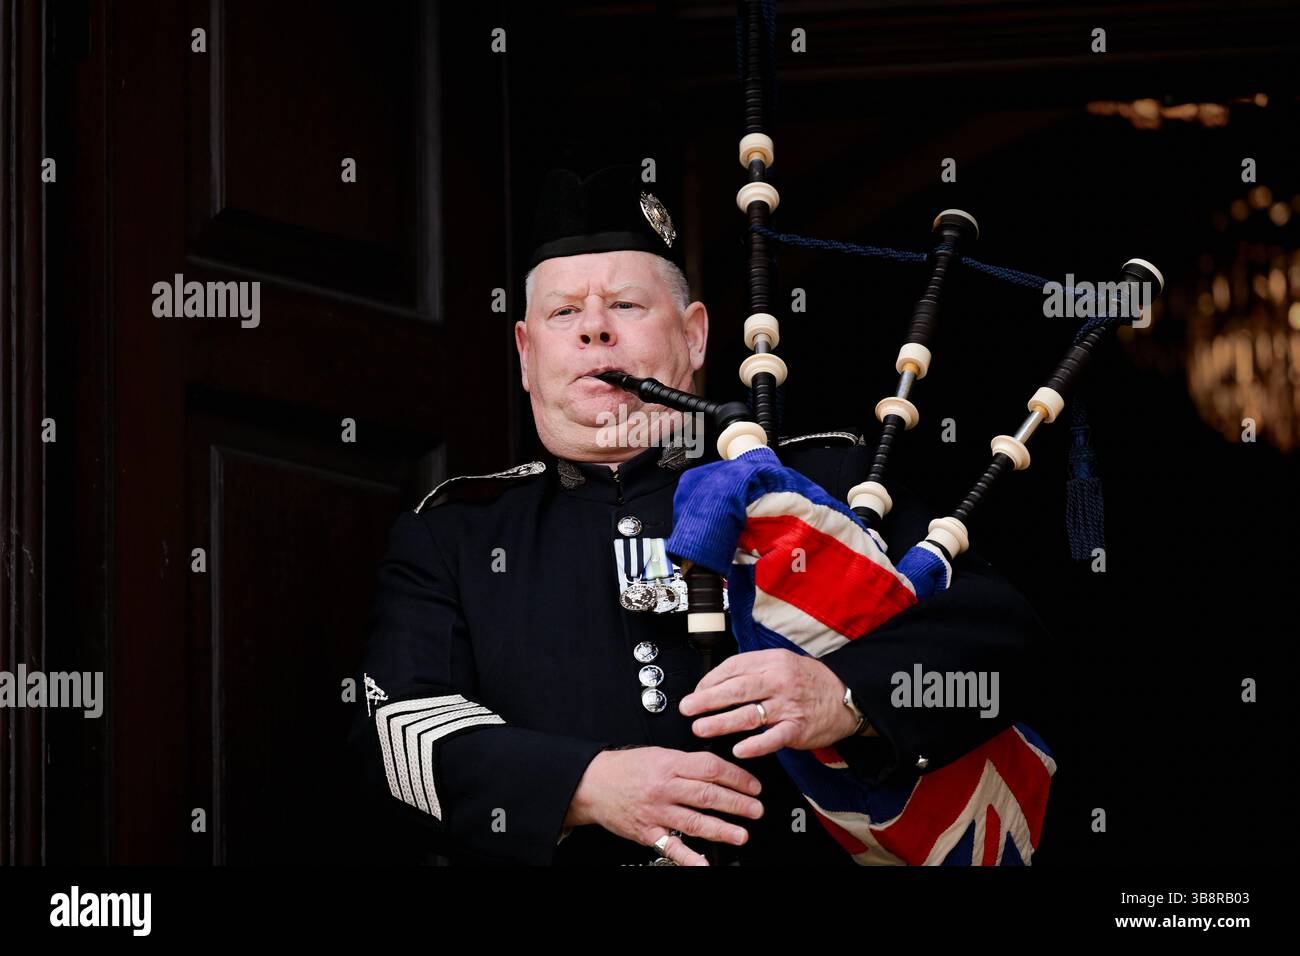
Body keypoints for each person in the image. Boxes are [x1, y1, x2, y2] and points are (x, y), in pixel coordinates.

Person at [347, 164, 1047, 866]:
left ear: (695, 336)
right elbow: (397, 731)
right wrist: (585, 786)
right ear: (528, 355)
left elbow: (1002, 640)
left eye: (626, 306)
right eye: (564, 313)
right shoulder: (456, 534)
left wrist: (845, 697)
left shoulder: (819, 483)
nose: (594, 330)